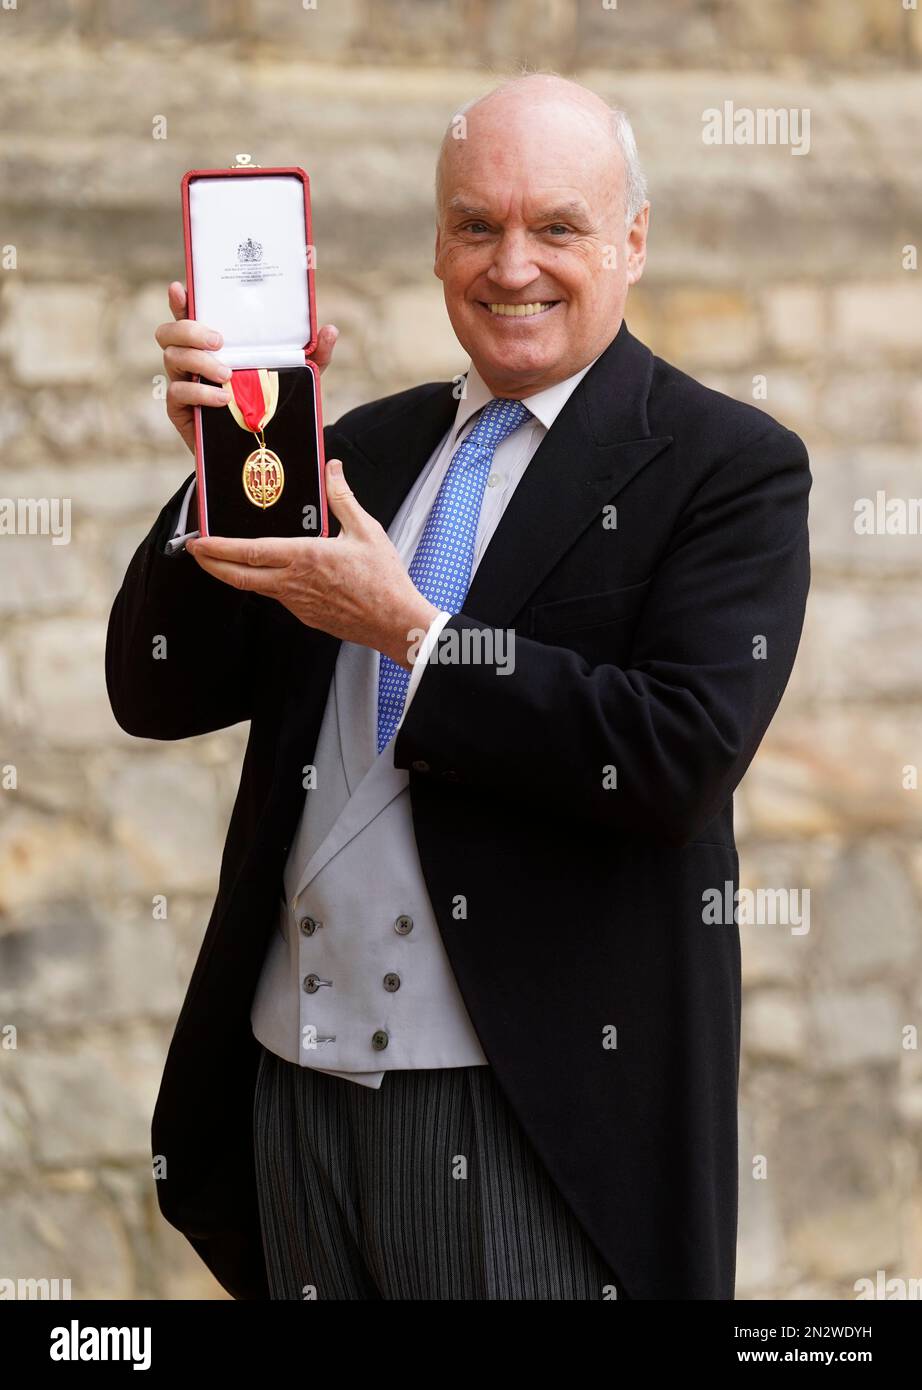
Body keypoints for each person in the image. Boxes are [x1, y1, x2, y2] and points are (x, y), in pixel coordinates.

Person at [105, 73, 811, 1300]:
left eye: (558, 226)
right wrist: (211, 476)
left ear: (632, 241)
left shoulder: (726, 467)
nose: (511, 264)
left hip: (522, 1117)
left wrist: (415, 634)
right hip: (291, 1093)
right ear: (437, 243)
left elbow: (674, 753)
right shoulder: (360, 445)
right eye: (476, 226)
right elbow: (155, 689)